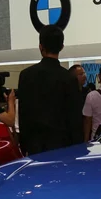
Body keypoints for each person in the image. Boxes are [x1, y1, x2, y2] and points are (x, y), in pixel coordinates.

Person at [17, 25, 82, 155]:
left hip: (34, 144)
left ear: (40, 46)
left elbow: (23, 113)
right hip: (62, 145)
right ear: (61, 47)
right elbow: (74, 117)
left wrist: (24, 144)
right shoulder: (69, 78)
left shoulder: (26, 75)